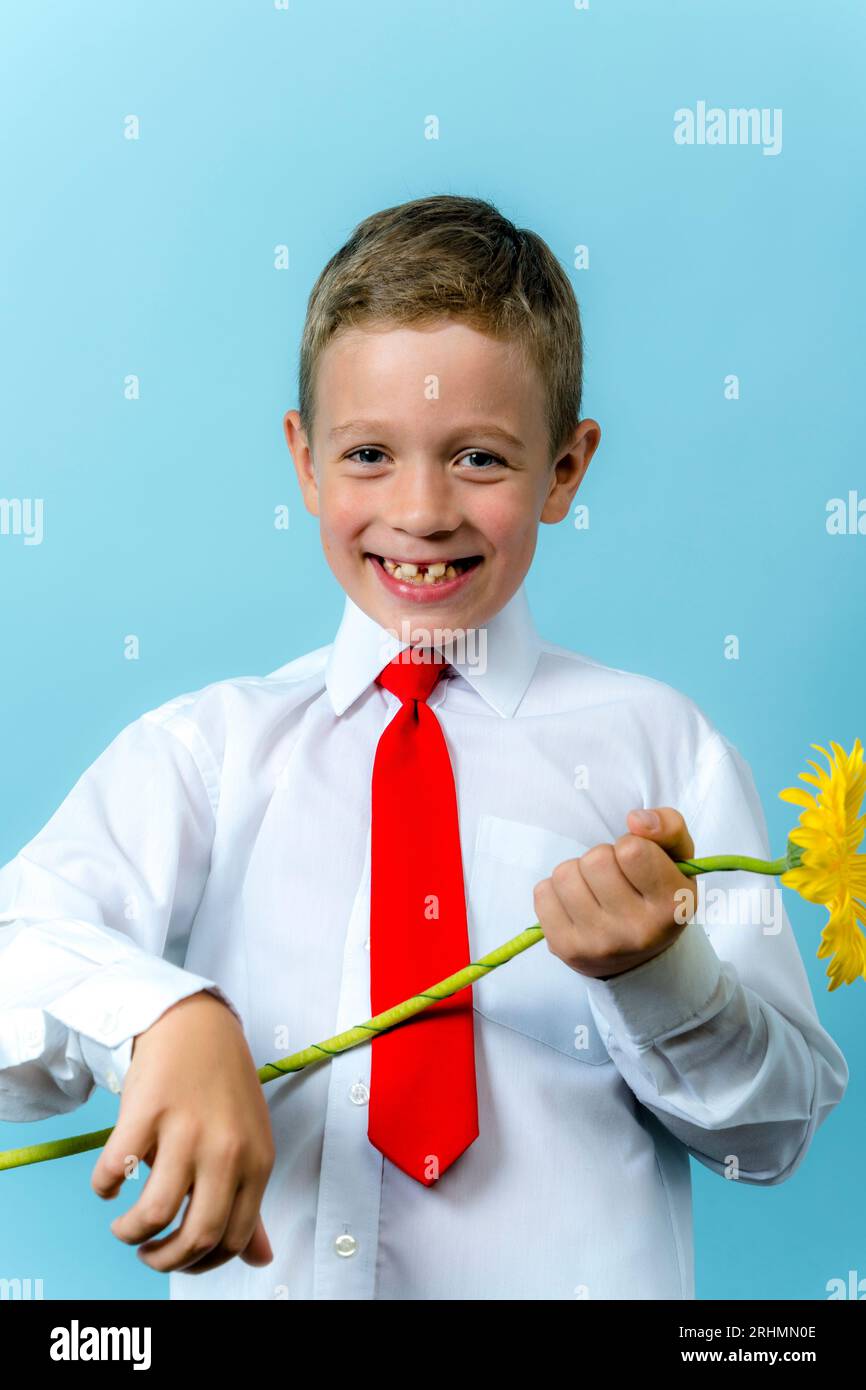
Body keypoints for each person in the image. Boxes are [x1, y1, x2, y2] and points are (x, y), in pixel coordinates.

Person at [0, 194, 848, 1300]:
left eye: (481, 460)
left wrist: (659, 975)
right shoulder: (203, 756)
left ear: (564, 470)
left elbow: (773, 1137)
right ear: (302, 461)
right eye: (367, 453)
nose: (420, 509)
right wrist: (160, 1015)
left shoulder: (659, 751)